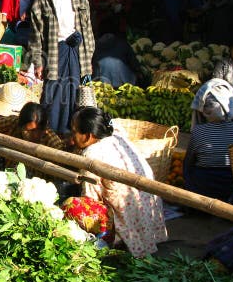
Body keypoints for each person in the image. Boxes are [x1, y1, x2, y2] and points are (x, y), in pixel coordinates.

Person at [70, 106, 168, 257]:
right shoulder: (118, 137)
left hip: (129, 217)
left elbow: (89, 200)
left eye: (74, 131)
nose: (72, 136)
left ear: (88, 136)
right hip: (148, 212)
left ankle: (117, 244)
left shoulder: (92, 154)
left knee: (74, 208)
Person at [28, 0, 95, 134]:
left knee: (73, 95)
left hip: (76, 52)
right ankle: (48, 133)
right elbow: (35, 34)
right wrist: (38, 62)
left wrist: (88, 60)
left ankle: (69, 135)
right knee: (51, 95)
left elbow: (87, 30)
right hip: (54, 53)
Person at [184, 81, 233, 203]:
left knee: (189, 169)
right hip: (231, 187)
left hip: (204, 187)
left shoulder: (198, 131)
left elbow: (189, 160)